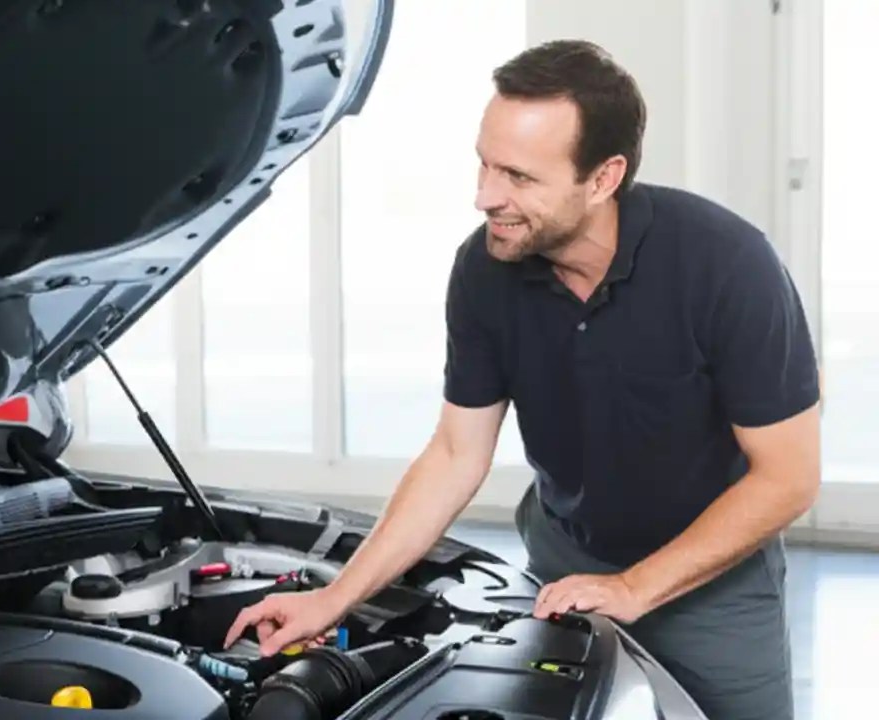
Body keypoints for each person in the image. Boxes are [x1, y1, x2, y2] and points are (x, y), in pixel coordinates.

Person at [224, 39, 820, 720]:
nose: (485, 197)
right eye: (483, 163)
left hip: (713, 589)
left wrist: (634, 586)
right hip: (564, 566)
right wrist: (335, 599)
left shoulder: (728, 265)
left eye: (517, 176)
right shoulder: (483, 270)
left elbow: (788, 477)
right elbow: (455, 454)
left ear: (603, 178)